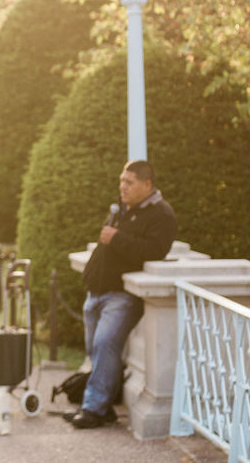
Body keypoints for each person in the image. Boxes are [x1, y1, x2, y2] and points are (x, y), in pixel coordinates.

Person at [69, 159, 177, 430]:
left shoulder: (162, 215)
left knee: (105, 344)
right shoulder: (122, 209)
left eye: (129, 182)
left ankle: (92, 409)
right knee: (97, 349)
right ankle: (104, 406)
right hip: (98, 291)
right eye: (121, 181)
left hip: (122, 296)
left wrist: (116, 238)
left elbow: (155, 251)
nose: (122, 186)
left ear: (147, 184)